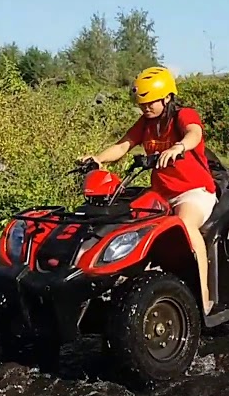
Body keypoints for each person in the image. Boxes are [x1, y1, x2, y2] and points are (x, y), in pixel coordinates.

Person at [77, 66, 218, 314]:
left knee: (185, 224)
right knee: (127, 225)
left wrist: (179, 147)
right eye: (142, 103)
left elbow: (194, 133)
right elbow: (123, 146)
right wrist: (98, 159)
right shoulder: (145, 123)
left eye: (150, 102)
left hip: (194, 191)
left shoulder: (183, 115)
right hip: (160, 194)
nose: (145, 108)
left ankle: (203, 297)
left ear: (167, 97)